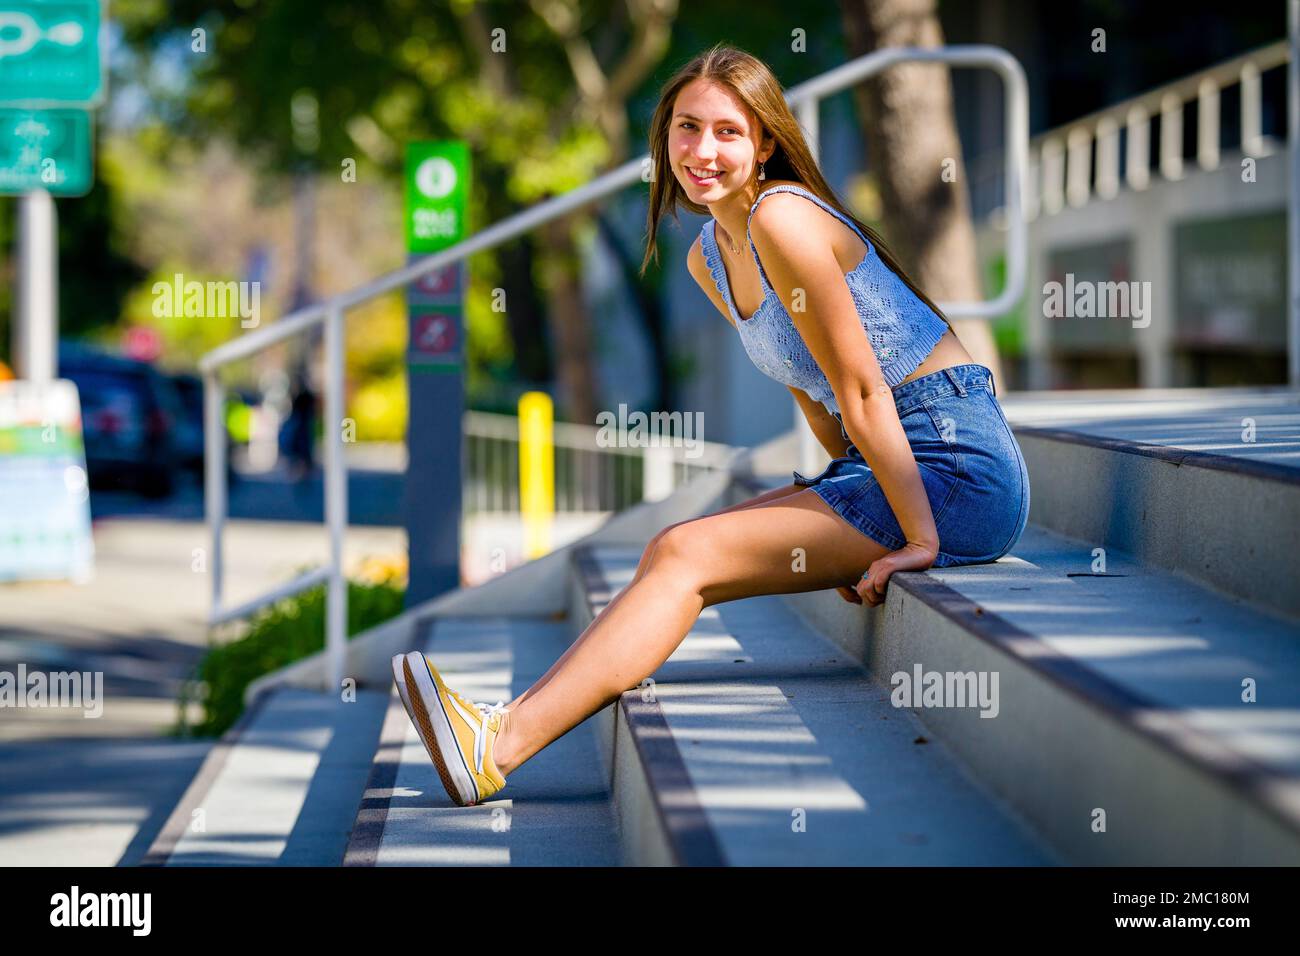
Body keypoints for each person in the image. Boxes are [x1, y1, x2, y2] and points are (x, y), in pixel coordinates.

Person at [393, 42, 1031, 807]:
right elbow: (815, 390)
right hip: (893, 460)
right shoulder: (709, 254)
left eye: (729, 132)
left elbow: (863, 390)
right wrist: (837, 510)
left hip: (958, 466)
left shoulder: (784, 218)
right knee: (673, 548)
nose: (703, 150)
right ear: (664, 136)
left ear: (765, 143)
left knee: (689, 552)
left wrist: (916, 538)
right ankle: (499, 727)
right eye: (687, 127)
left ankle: (498, 746)